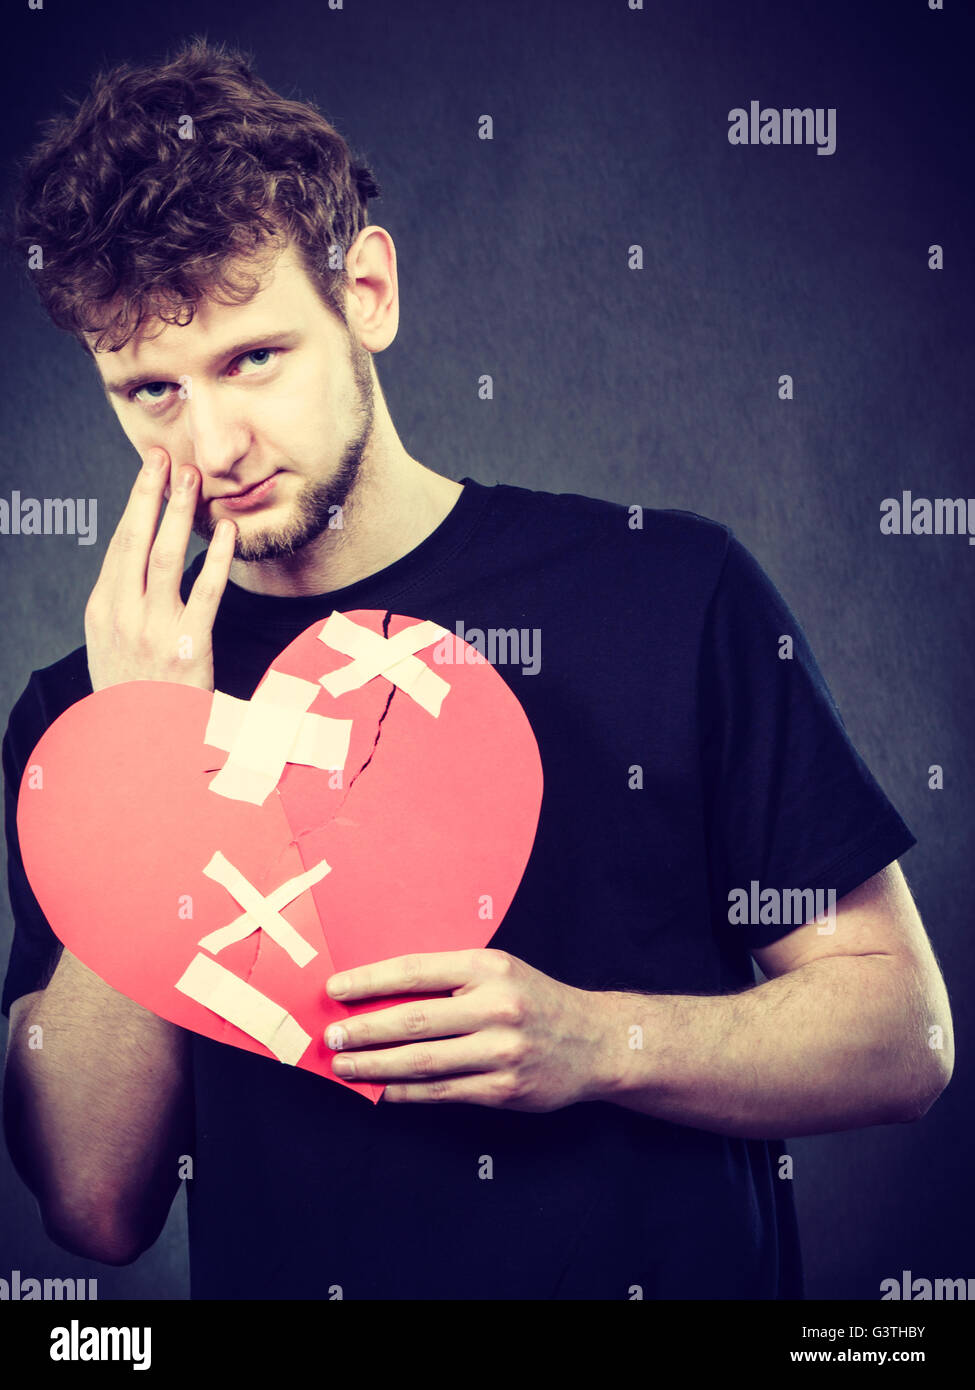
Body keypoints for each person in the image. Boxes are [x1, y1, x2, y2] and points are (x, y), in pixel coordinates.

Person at [2, 38, 954, 1300]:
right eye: (151, 390)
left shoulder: (668, 590)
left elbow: (903, 1035)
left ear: (369, 295)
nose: (215, 440)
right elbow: (94, 1204)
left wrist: (594, 1040)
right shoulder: (92, 714)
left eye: (253, 359)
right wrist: (149, 763)